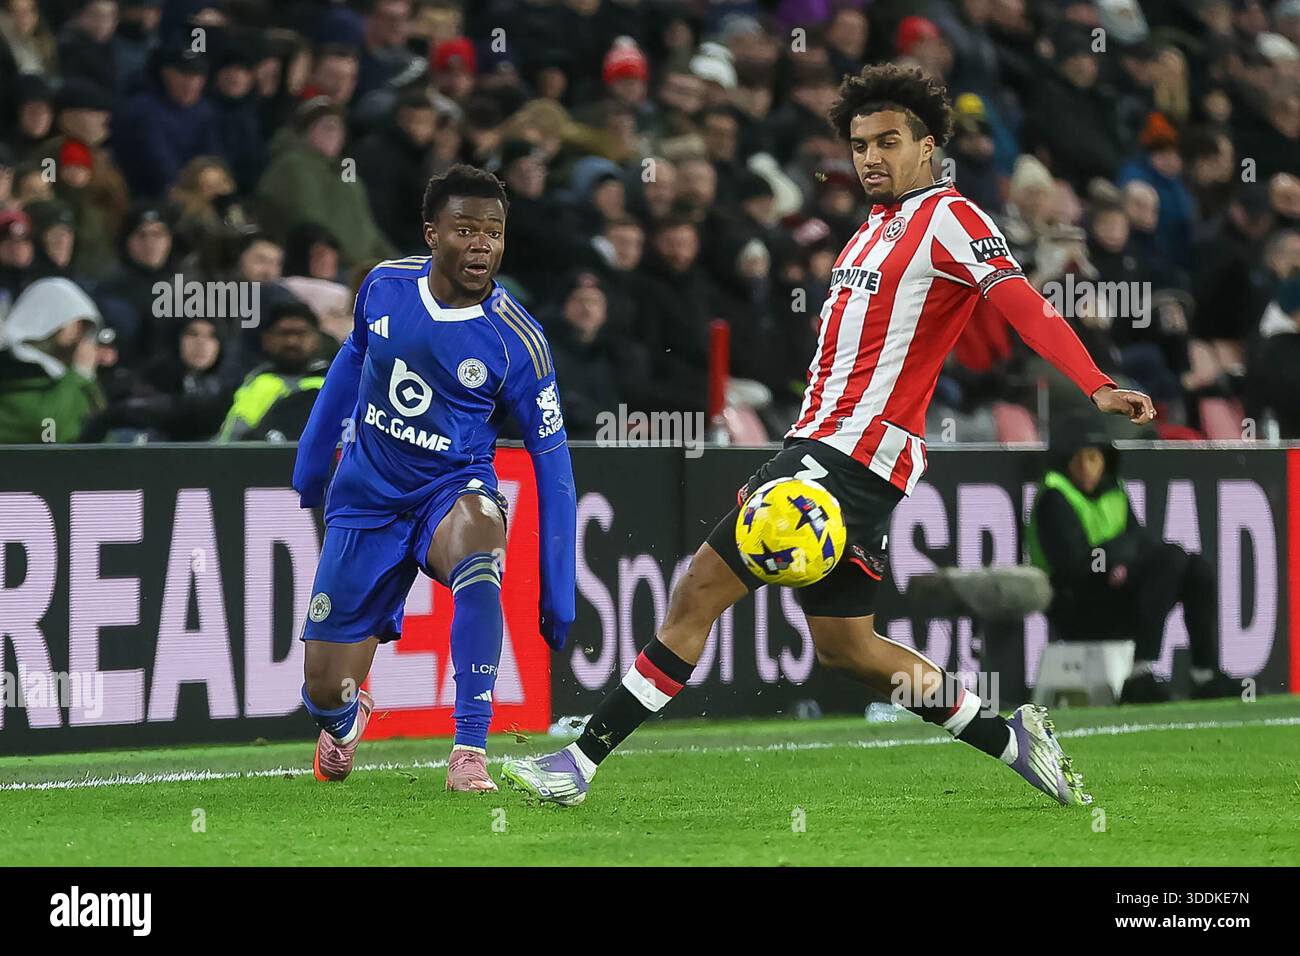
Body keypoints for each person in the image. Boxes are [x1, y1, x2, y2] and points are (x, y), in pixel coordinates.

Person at [503, 64, 1156, 808]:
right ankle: (1013, 742)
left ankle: (578, 765)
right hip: (835, 450)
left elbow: (1021, 306)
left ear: (928, 147)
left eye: (887, 142)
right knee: (848, 647)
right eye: (858, 144)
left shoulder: (953, 218)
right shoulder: (872, 229)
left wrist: (1094, 380)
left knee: (699, 590)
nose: (870, 157)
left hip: (847, 456)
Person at [290, 165, 576, 792]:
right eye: (466, 230)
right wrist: (313, 457)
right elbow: (352, 358)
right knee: (322, 691)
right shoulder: (384, 288)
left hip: (452, 490)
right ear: (431, 233)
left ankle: (469, 748)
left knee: (480, 545)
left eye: (494, 233)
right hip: (366, 498)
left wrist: (558, 584)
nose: (483, 246)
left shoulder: (517, 341)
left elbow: (553, 464)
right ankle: (345, 721)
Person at [1025, 419, 1238, 703]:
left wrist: (1120, 563)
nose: (1088, 468)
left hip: (1114, 592)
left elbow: (1139, 540)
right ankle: (1138, 672)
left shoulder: (1115, 491)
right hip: (1076, 606)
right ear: (1066, 462)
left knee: (1193, 567)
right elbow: (1073, 567)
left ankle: (1205, 673)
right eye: (1080, 460)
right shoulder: (1055, 497)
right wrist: (1116, 560)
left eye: (1094, 459)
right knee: (1168, 559)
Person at [0, 276, 104, 443]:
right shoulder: (13, 369)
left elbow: (96, 419)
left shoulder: (63, 372)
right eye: (75, 322)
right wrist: (80, 374)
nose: (80, 332)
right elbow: (52, 431)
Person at [217, 300, 328, 442]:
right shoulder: (255, 384)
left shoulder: (334, 382)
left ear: (317, 338)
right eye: (284, 333)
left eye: (300, 333)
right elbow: (231, 441)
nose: (291, 341)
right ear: (266, 339)